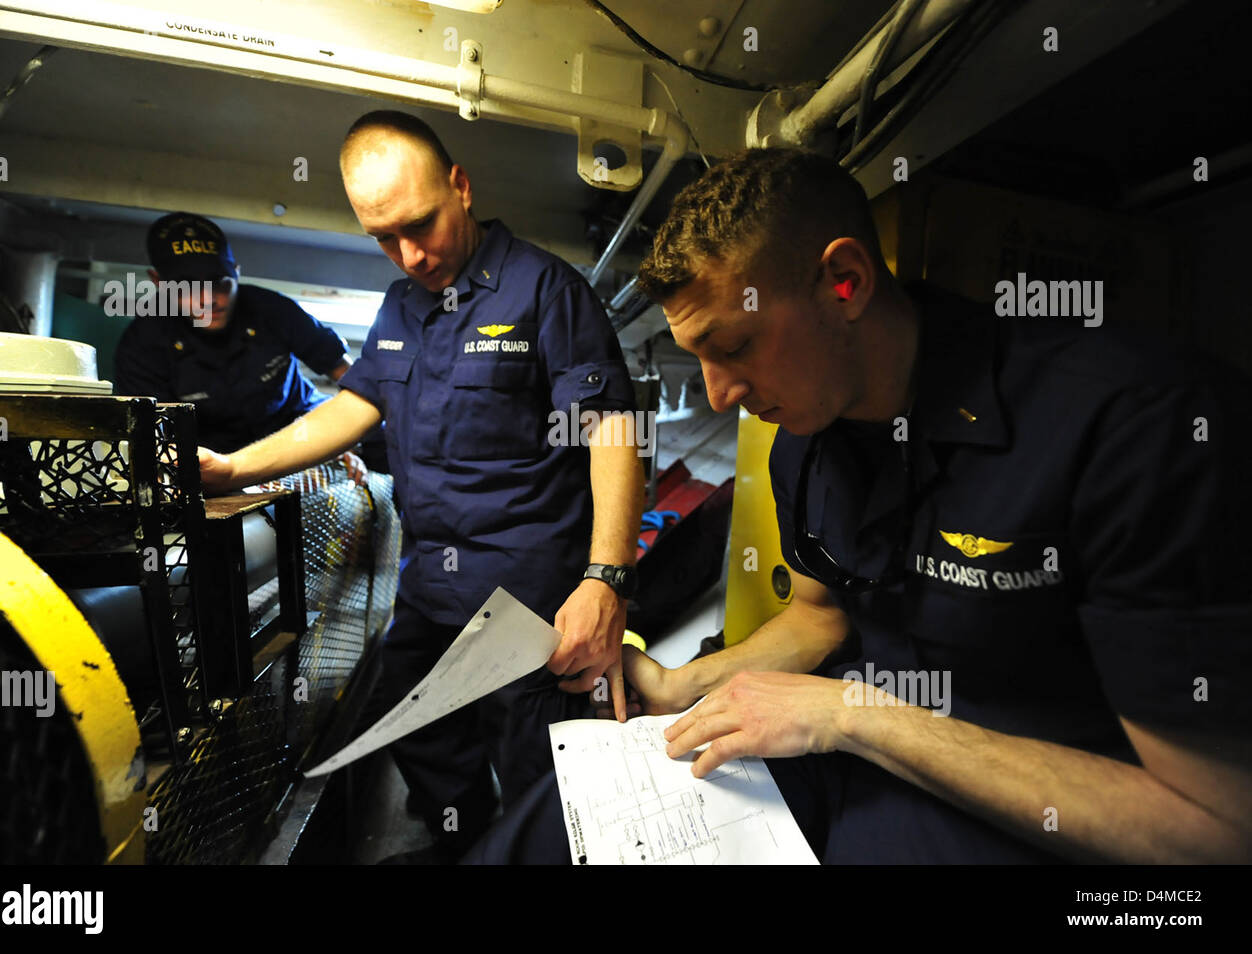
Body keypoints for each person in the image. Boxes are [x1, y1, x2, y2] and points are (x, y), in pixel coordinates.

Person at [466, 147, 1252, 864]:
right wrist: (680, 685)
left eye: (734, 347)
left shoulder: (1134, 426)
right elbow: (822, 617)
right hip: (840, 759)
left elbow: (1211, 827)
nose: (720, 396)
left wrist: (852, 714)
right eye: (696, 359)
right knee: (545, 836)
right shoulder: (803, 439)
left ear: (845, 283)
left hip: (1019, 809)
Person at [197, 111, 645, 859]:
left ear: (461, 188)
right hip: (430, 591)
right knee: (420, 728)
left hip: (529, 597)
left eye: (420, 225)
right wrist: (237, 468)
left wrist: (607, 579)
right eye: (382, 238)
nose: (408, 255)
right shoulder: (400, 306)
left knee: (543, 776)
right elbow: (355, 404)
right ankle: (460, 845)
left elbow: (612, 432)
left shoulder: (544, 289)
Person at [116, 212, 374, 461]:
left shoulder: (274, 310)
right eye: (189, 288)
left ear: (237, 273)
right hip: (208, 458)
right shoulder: (142, 344)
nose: (209, 300)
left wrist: (338, 438)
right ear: (158, 281)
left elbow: (350, 378)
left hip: (297, 436)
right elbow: (151, 437)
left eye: (220, 283)